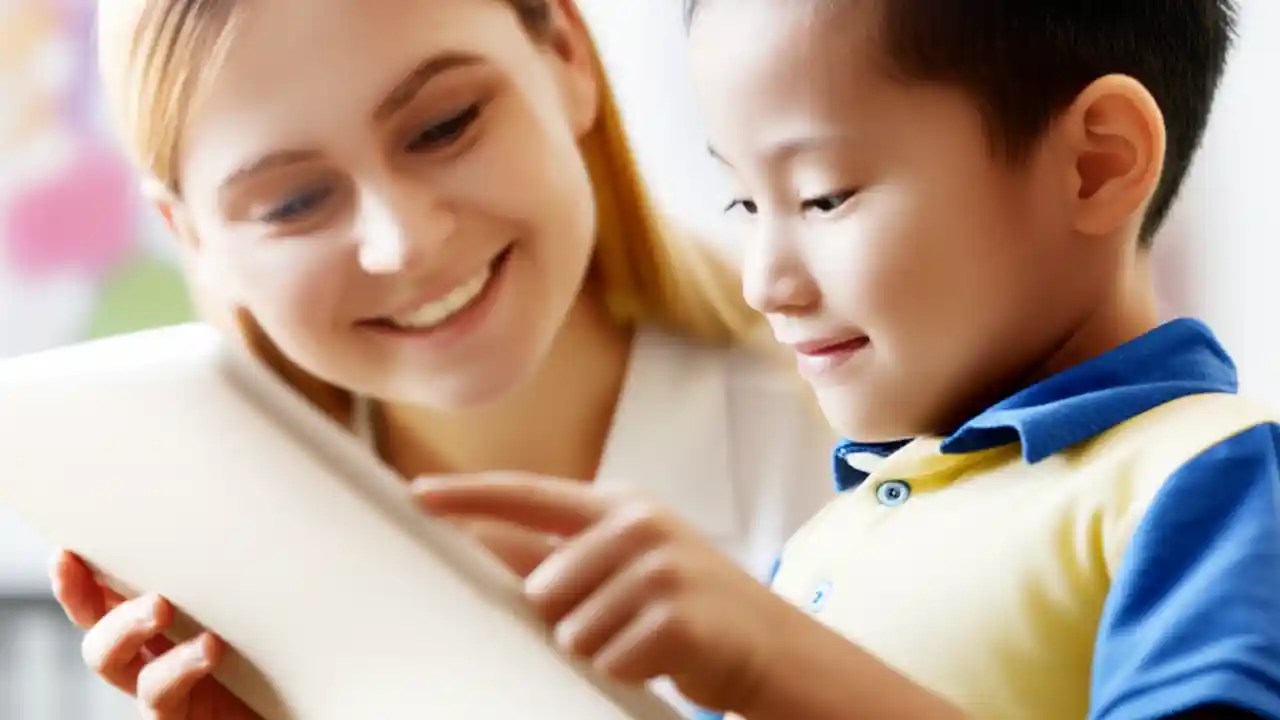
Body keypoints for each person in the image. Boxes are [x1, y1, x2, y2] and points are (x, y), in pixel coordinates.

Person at [414, 1, 1280, 718]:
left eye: (823, 197)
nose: (764, 283)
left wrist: (774, 662)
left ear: (1097, 163)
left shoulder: (1207, 473)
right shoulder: (837, 532)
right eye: (745, 203)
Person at [47, 0, 837, 717]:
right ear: (190, 237)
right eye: (294, 202)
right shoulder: (222, 612)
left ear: (566, 54)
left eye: (443, 126)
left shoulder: (852, 447)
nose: (403, 242)